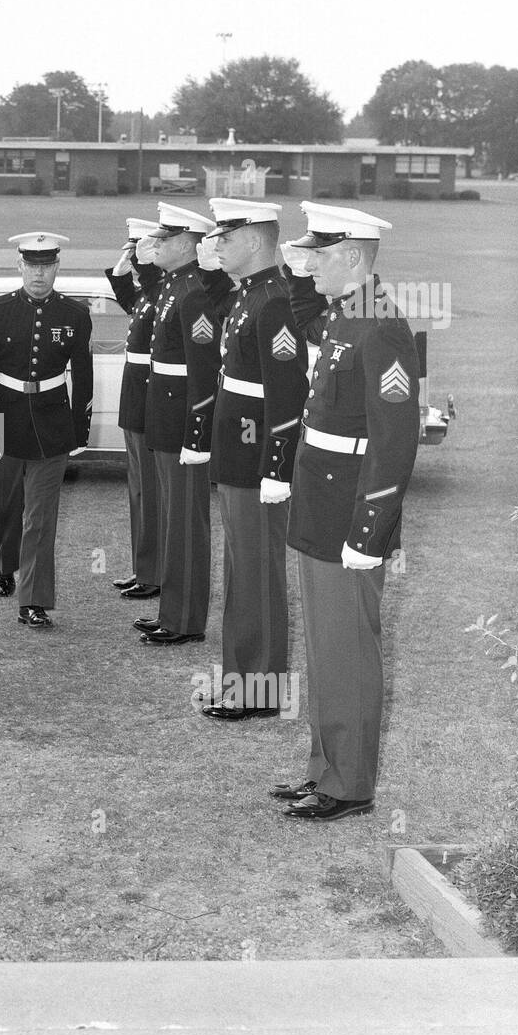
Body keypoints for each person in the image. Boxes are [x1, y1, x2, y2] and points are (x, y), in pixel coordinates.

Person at [274, 201, 420, 821]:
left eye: (320, 253)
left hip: (349, 514)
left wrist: (371, 530)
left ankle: (349, 785)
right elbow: (304, 310)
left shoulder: (382, 325)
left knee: (350, 651)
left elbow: (395, 439)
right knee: (326, 650)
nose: (309, 265)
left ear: (355, 258)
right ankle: (324, 768)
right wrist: (293, 268)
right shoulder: (345, 314)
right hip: (320, 504)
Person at [198, 198, 309, 719]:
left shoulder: (274, 301)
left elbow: (287, 393)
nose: (216, 243)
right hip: (236, 453)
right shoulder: (250, 295)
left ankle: (260, 691)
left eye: (225, 235)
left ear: (254, 240)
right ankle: (238, 678)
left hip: (255, 458)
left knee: (258, 573)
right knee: (240, 571)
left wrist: (276, 467)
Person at [0, 232, 93, 630]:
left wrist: (81, 428)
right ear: (20, 266)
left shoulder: (75, 315)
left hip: (52, 422)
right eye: (32, 265)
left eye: (47, 265)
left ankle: (33, 600)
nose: (39, 273)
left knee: (41, 517)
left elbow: (83, 371)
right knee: (4, 507)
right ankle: (5, 562)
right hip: (3, 421)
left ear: (57, 267)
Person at [136, 205, 229, 646]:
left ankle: (186, 619)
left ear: (189, 245)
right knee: (174, 519)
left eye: (166, 239)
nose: (157, 243)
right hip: (165, 417)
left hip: (181, 424)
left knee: (187, 523)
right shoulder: (175, 286)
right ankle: (170, 611)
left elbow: (205, 368)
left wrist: (197, 433)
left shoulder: (193, 292)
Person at [106, 218, 165, 602]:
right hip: (135, 401)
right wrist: (120, 272)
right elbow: (134, 301)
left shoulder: (165, 292)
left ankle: (154, 572)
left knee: (151, 494)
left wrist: (142, 269)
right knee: (138, 493)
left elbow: (152, 298)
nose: (133, 257)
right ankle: (143, 567)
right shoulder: (150, 295)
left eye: (139, 251)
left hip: (149, 402)